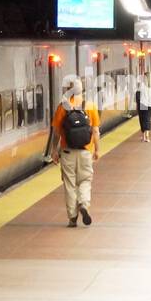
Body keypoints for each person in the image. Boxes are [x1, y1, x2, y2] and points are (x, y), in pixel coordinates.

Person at [49, 75, 101, 227]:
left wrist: (54, 150)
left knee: (70, 185)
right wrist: (97, 149)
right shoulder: (90, 106)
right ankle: (84, 204)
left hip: (67, 153)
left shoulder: (62, 107)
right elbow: (96, 131)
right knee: (85, 180)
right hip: (85, 152)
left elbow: (57, 132)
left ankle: (72, 217)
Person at [134, 70, 151, 142]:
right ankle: (147, 137)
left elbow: (137, 95)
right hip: (150, 105)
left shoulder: (142, 85)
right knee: (147, 120)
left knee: (142, 120)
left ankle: (143, 137)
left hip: (142, 104)